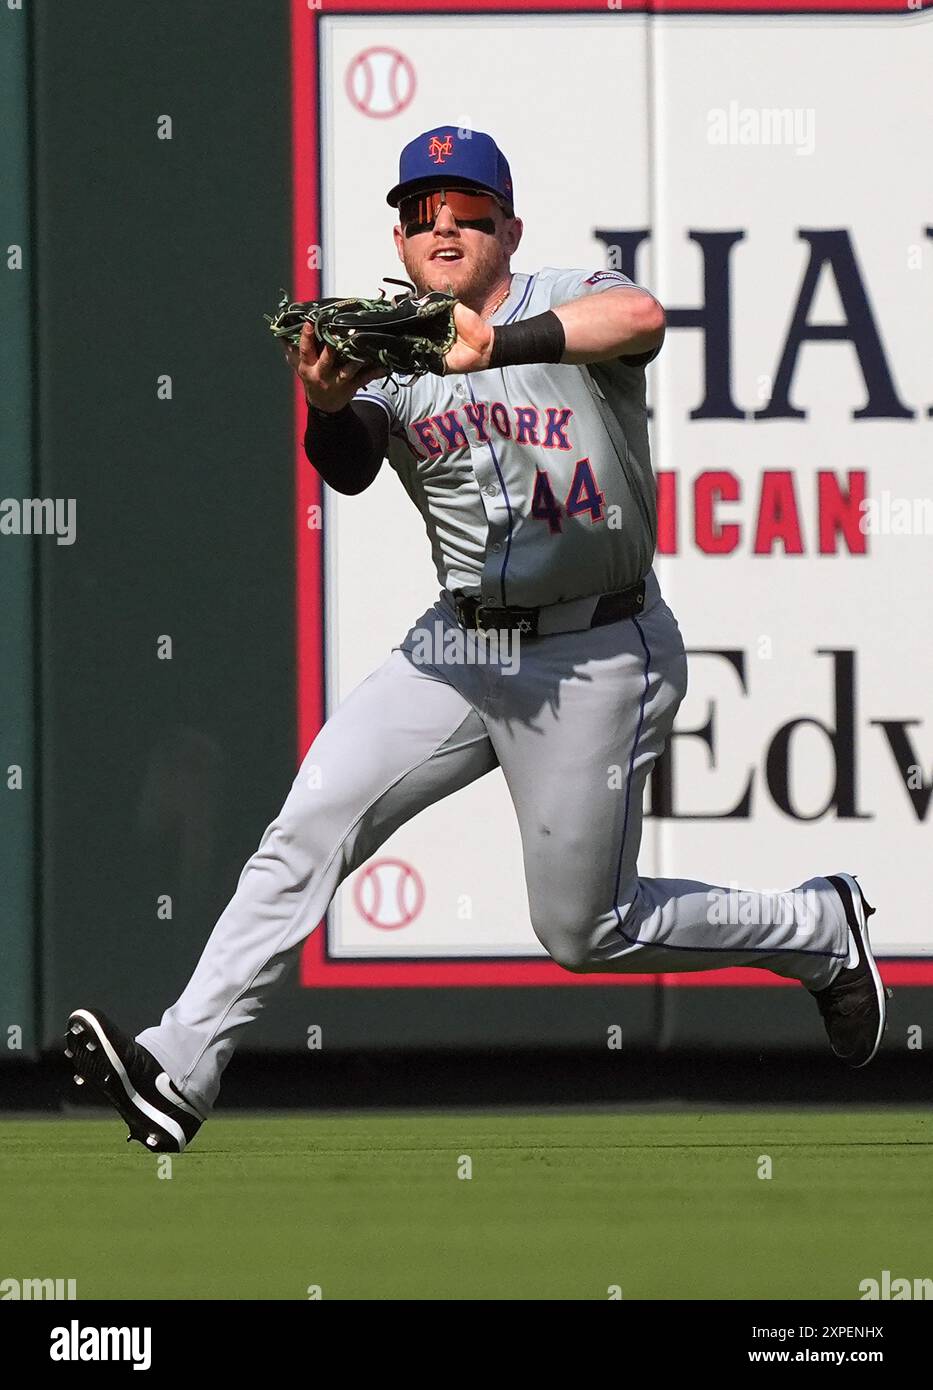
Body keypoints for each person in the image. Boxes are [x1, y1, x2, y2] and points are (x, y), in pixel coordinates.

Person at [65, 126, 886, 1153]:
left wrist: (501, 343)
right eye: (422, 212)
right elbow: (352, 462)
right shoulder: (391, 344)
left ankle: (815, 927)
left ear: (509, 230)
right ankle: (177, 1069)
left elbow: (642, 316)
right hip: (457, 649)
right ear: (401, 236)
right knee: (306, 827)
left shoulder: (562, 290)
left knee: (585, 933)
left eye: (467, 211)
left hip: (599, 650)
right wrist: (325, 407)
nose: (444, 225)